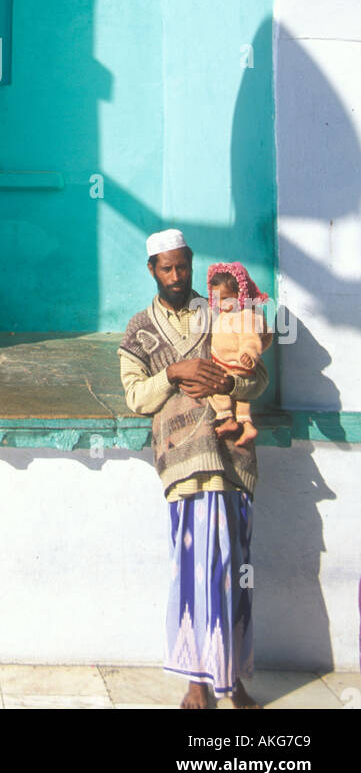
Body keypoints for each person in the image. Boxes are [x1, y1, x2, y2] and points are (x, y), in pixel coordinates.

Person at [117, 229, 268, 709]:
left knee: (234, 570)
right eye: (167, 268)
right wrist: (174, 374)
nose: (177, 276)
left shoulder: (219, 310)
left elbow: (258, 375)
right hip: (184, 465)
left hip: (231, 463)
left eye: (182, 266)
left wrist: (233, 379)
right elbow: (136, 396)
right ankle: (196, 683)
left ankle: (234, 681)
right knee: (194, 573)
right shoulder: (139, 329)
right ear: (152, 271)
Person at [207, 262, 272, 445]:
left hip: (236, 363)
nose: (222, 304)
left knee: (213, 386)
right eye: (218, 298)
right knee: (242, 398)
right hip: (230, 363)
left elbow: (251, 339)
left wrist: (248, 355)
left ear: (240, 294)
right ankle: (247, 426)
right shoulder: (230, 313)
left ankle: (227, 418)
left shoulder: (245, 316)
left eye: (227, 298)